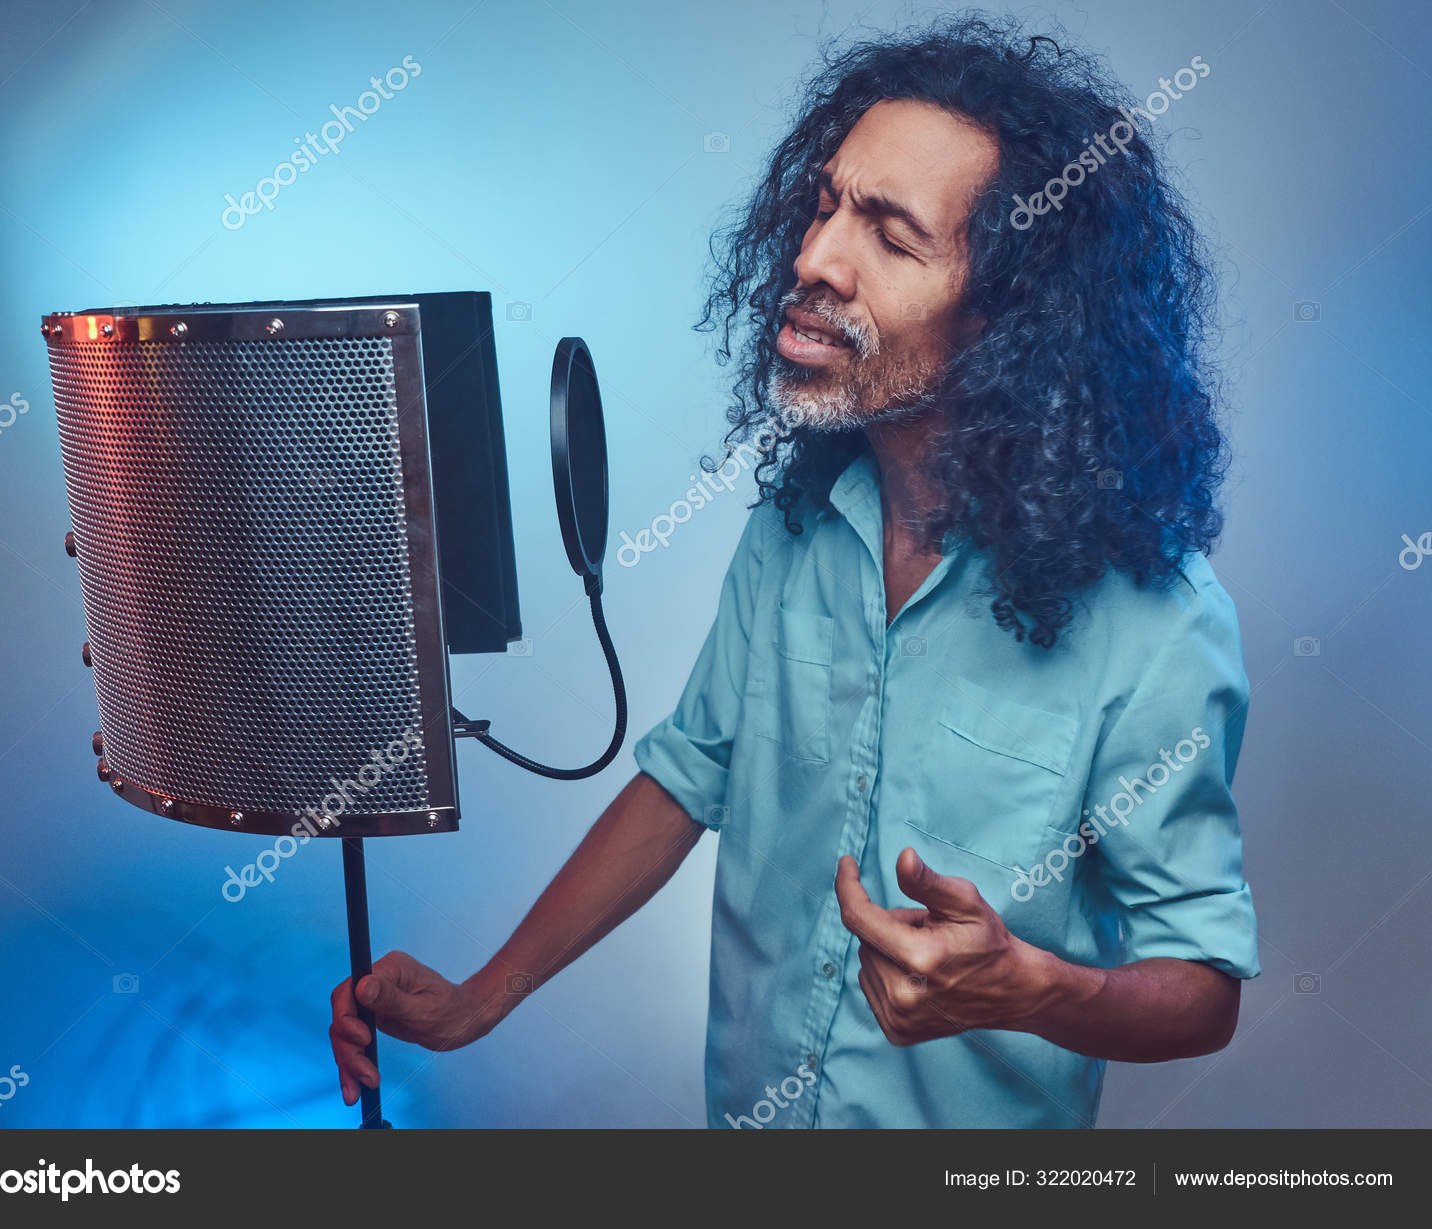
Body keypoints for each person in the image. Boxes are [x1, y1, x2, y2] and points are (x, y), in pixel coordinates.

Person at [330, 14, 1257, 1128]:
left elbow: (1201, 992)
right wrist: (484, 997)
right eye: (825, 204)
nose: (815, 258)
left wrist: (1030, 986)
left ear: (1015, 320)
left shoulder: (1155, 623)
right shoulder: (796, 521)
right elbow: (688, 776)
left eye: (890, 236)